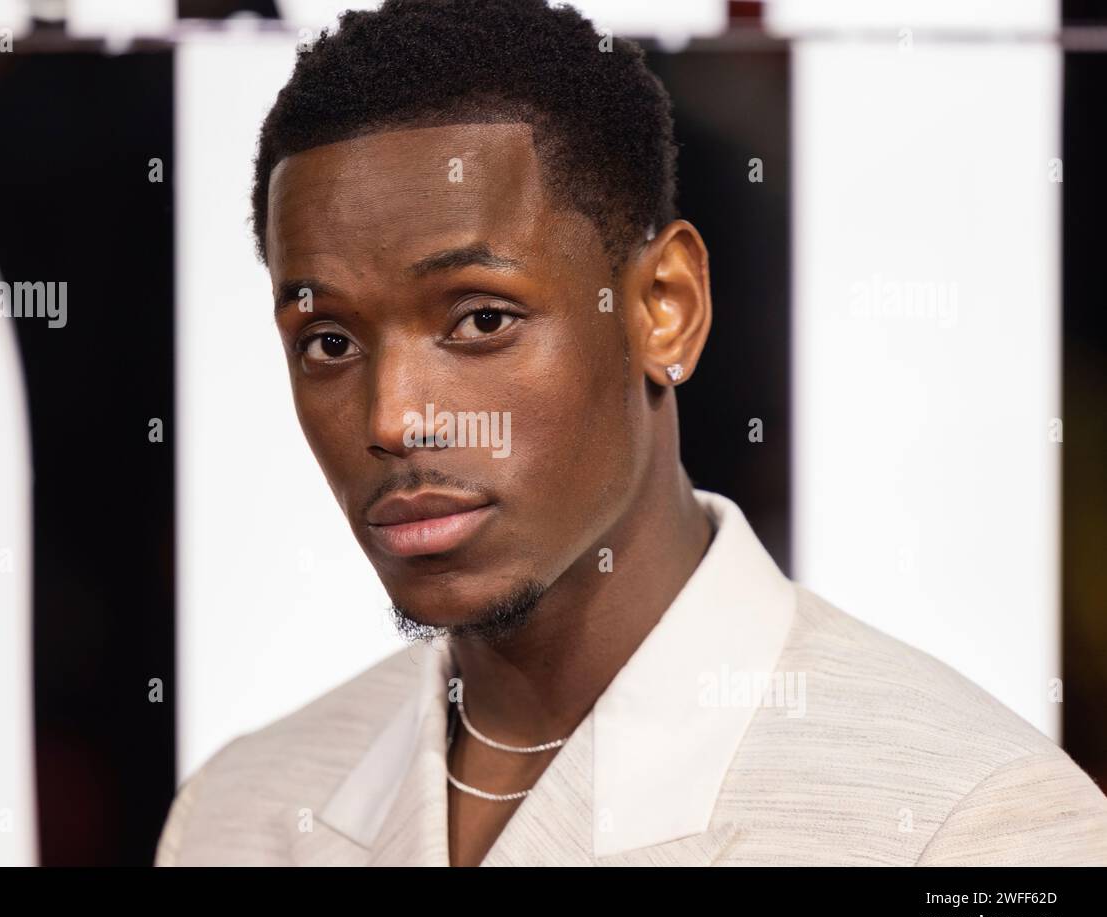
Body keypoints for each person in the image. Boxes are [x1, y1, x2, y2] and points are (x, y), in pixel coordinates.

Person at [156, 0, 1107, 866]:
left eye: (481, 319)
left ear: (665, 307)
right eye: (328, 340)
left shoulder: (978, 830)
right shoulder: (242, 815)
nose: (394, 418)